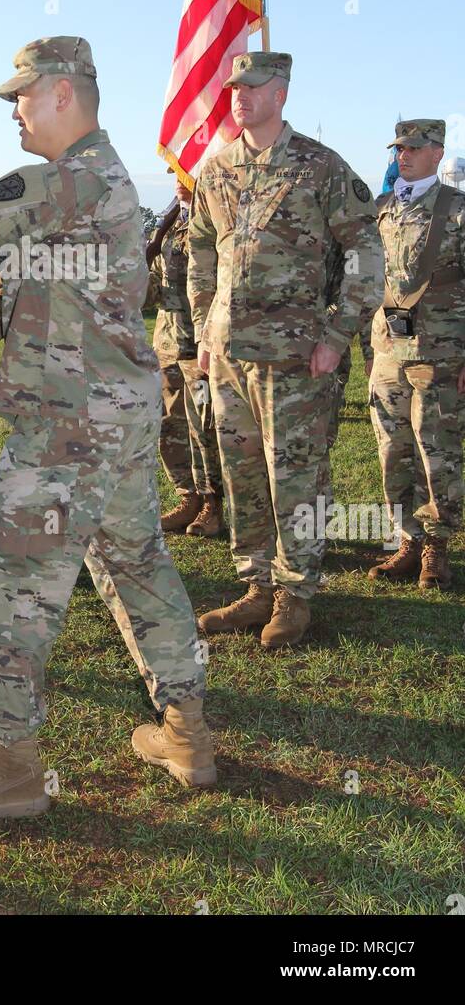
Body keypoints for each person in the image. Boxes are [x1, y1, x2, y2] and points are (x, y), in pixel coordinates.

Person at [0, 36, 215, 819]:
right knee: (136, 565)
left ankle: (11, 768)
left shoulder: (74, 177)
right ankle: (187, 733)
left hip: (69, 426)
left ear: (64, 93)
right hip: (114, 417)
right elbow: (10, 300)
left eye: (23, 95)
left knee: (11, 583)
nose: (14, 111)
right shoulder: (75, 192)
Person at [187, 51, 383, 648]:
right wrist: (204, 331)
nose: (240, 96)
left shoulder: (321, 167)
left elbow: (366, 253)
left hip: (296, 356)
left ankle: (296, 594)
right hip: (229, 353)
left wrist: (336, 334)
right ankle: (256, 584)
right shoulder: (217, 168)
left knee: (296, 475)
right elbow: (200, 252)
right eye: (235, 87)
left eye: (253, 87)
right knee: (243, 473)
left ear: (281, 93)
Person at [366, 119, 464, 590]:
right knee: (392, 447)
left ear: (437, 153)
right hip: (387, 347)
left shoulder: (457, 209)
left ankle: (436, 548)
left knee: (436, 449)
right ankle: (407, 538)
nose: (402, 155)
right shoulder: (381, 208)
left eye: (413, 148)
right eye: (399, 148)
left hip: (440, 349)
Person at [147, 180, 223, 537]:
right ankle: (187, 497)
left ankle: (213, 504)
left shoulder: (218, 217)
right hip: (167, 342)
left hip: (202, 344)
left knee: (205, 428)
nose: (178, 178)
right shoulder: (169, 221)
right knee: (168, 425)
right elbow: (156, 283)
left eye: (186, 170)